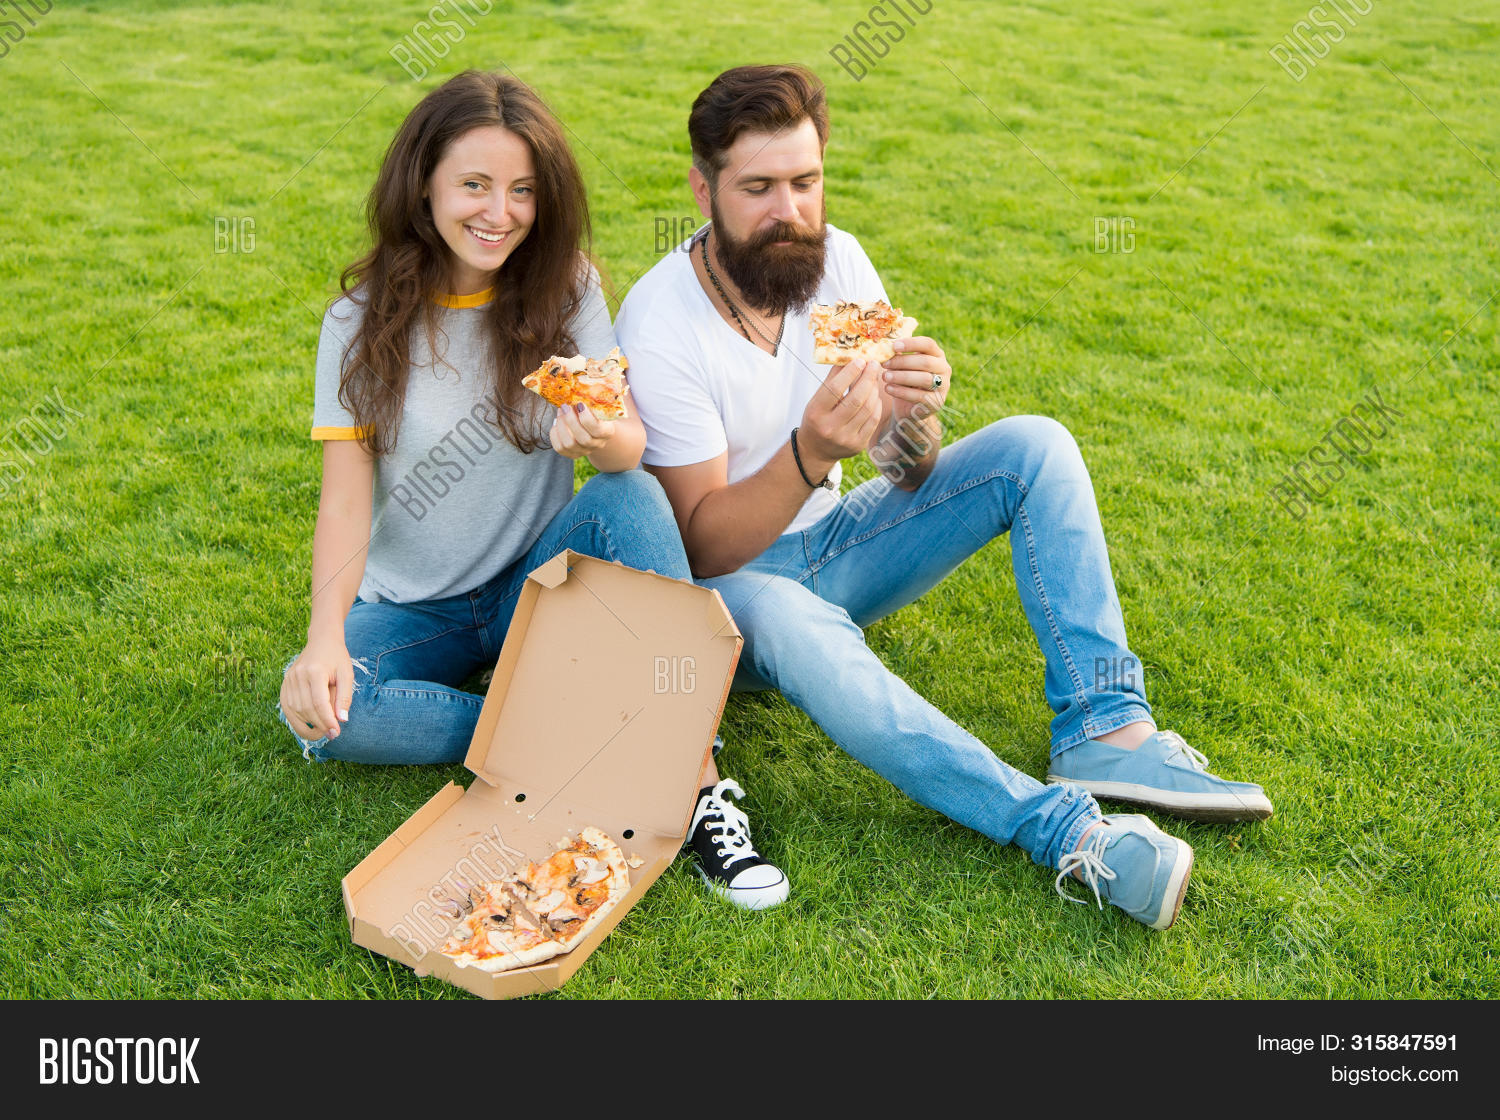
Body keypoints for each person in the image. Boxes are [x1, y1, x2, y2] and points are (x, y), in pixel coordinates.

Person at [614, 64, 1273, 930]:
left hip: (836, 543)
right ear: (702, 188)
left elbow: (909, 471)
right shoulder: (660, 321)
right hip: (733, 598)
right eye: (758, 188)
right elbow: (698, 549)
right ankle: (1066, 833)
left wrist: (909, 417)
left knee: (1035, 445)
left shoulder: (835, 258)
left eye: (806, 182)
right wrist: (812, 451)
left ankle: (1108, 734)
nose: (790, 212)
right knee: (799, 622)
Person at [275, 70, 787, 911]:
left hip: (536, 590)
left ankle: (691, 784)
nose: (498, 211)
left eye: (521, 190)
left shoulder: (568, 288)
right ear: (424, 183)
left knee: (633, 499)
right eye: (473, 184)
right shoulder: (358, 322)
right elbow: (344, 500)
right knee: (329, 720)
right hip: (415, 608)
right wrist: (324, 639)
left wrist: (595, 433)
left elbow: (627, 447)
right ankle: (565, 736)